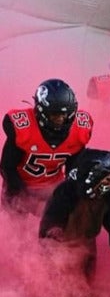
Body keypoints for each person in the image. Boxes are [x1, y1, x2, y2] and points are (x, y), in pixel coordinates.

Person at [39, 148, 110, 283]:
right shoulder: (65, 192)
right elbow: (51, 223)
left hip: (87, 244)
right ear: (92, 175)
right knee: (59, 285)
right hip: (61, 247)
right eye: (106, 177)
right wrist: (54, 251)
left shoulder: (106, 194)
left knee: (87, 285)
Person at [1, 79, 93, 216]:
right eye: (55, 114)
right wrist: (21, 196)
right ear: (40, 111)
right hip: (21, 186)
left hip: (53, 187)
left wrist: (70, 195)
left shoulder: (79, 130)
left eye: (65, 114)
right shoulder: (23, 129)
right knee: (16, 225)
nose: (61, 119)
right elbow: (7, 167)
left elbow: (73, 169)